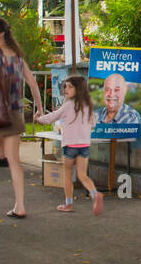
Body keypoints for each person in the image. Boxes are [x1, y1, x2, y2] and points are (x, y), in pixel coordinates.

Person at [0, 17, 44, 218]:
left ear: (1, 33)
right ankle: (20, 205)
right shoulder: (18, 56)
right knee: (14, 160)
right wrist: (39, 108)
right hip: (14, 113)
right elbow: (33, 83)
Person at [37, 75, 103, 215]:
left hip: (70, 146)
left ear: (78, 89)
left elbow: (52, 117)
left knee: (67, 175)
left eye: (70, 87)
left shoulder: (68, 105)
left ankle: (68, 204)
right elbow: (93, 124)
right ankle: (94, 194)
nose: (66, 89)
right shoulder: (88, 105)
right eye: (65, 86)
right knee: (82, 175)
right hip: (84, 145)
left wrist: (39, 119)